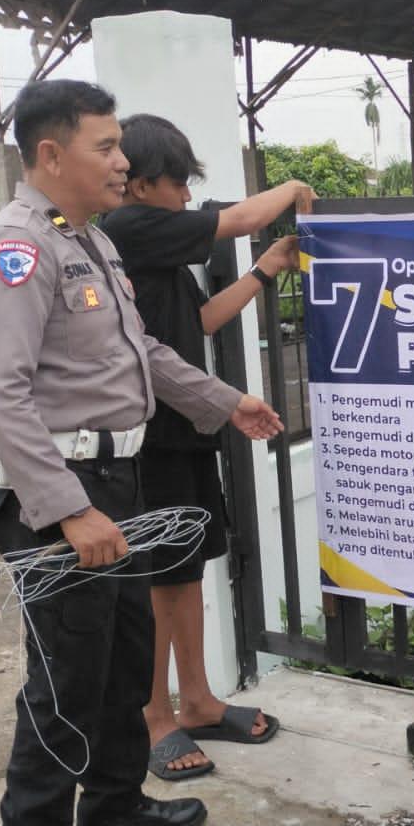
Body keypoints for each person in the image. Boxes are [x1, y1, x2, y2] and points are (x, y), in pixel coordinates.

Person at [0, 80, 283, 826]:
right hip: (61, 496)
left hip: (119, 479)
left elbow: (145, 352)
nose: (122, 159)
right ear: (50, 153)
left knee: (124, 659)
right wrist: (70, 511)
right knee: (66, 679)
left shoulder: (91, 241)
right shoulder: (16, 248)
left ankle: (110, 806)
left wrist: (225, 401)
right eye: (105, 146)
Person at [96, 114, 314, 780]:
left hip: (185, 430)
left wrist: (266, 272)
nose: (186, 197)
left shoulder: (156, 250)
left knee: (186, 573)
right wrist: (295, 187)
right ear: (142, 183)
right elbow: (241, 219)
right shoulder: (128, 227)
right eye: (178, 183)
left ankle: (195, 700)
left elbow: (196, 323)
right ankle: (153, 716)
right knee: (154, 580)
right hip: (146, 439)